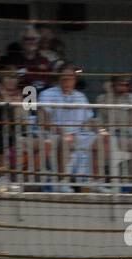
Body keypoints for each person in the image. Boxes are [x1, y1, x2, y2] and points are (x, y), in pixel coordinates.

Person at [37, 64, 97, 192]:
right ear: (59, 79)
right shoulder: (47, 94)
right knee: (66, 140)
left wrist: (101, 131)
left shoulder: (80, 96)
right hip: (56, 134)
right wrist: (62, 132)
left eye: (71, 78)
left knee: (101, 140)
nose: (67, 81)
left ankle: (95, 182)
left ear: (75, 80)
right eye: (64, 78)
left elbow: (90, 120)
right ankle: (63, 181)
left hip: (79, 134)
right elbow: (44, 121)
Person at [3, 26, 54, 91]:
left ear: (38, 41)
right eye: (27, 39)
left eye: (33, 39)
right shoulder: (13, 61)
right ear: (21, 41)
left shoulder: (44, 61)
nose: (31, 42)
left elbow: (50, 83)